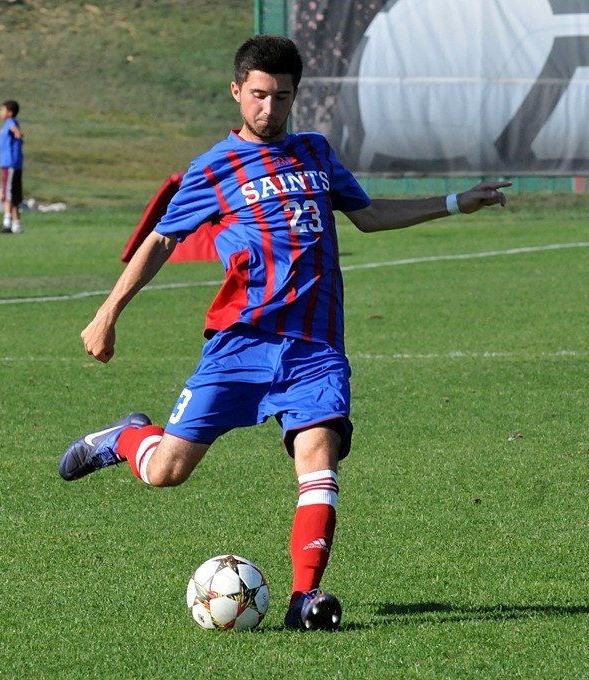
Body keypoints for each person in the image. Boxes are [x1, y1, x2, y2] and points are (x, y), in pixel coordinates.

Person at [57, 35, 511, 631]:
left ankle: (306, 599)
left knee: (319, 456)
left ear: (296, 94)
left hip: (316, 350)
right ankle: (128, 437)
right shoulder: (214, 168)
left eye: (282, 96)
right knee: (168, 471)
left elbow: (369, 216)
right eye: (259, 96)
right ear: (237, 91)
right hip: (239, 345)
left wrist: (457, 202)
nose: (269, 109)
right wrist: (108, 311)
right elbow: (163, 239)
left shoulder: (316, 154)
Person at [0, 99, 25, 234]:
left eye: (2, 110)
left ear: (9, 112)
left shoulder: (10, 123)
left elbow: (16, 131)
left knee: (7, 194)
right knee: (14, 197)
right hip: (13, 164)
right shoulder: (7, 125)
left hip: (10, 164)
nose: (0, 112)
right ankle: (17, 224)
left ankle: (6, 223)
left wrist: (17, 133)